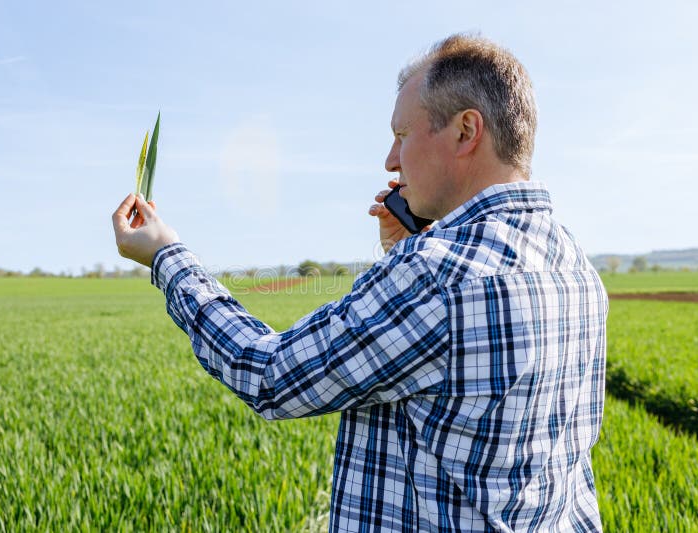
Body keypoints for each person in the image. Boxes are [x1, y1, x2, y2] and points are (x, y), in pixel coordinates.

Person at [112, 33, 607, 532]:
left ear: (465, 131)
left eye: (402, 134)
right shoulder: (574, 264)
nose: (391, 160)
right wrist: (404, 251)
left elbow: (269, 374)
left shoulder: (437, 277)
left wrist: (165, 257)